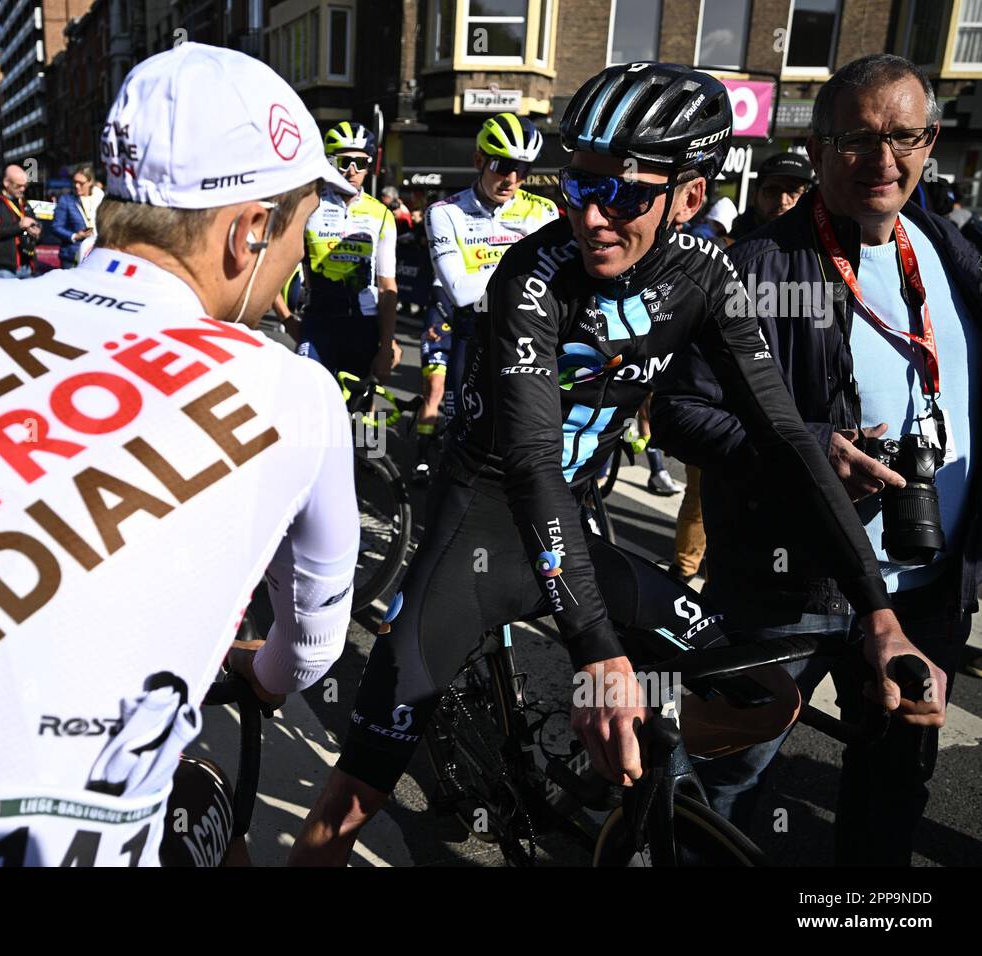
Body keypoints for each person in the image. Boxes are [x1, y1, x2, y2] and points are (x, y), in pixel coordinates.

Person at [288, 61, 944, 867]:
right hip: (482, 525)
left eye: (628, 194)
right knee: (351, 801)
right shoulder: (532, 276)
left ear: (691, 198)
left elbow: (785, 438)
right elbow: (529, 465)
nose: (593, 216)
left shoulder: (707, 274)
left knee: (761, 691)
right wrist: (600, 656)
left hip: (575, 519)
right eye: (579, 185)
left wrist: (879, 615)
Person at [0, 41, 359, 868]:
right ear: (250, 231)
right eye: (301, 226)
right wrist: (258, 681)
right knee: (207, 804)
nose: (301, 256)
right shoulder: (297, 394)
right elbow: (309, 653)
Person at [652, 53, 973, 865]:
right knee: (724, 787)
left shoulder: (950, 254)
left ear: (931, 139)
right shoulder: (754, 269)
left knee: (892, 791)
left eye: (904, 137)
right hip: (784, 586)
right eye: (858, 140)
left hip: (924, 588)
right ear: (821, 148)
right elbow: (679, 413)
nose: (885, 160)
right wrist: (800, 448)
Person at [412, 113, 559, 484]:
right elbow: (460, 290)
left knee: (529, 437)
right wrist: (525, 263)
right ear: (479, 160)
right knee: (464, 434)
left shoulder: (543, 212)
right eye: (501, 165)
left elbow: (557, 282)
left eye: (522, 169)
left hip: (528, 335)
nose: (511, 178)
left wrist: (501, 273)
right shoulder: (445, 213)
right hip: (472, 333)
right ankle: (410, 466)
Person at [279, 121, 400, 383]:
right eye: (344, 161)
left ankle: (366, 425)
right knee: (310, 411)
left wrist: (388, 344)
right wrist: (288, 321)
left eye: (361, 162)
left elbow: (387, 286)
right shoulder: (307, 205)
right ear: (329, 162)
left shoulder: (381, 214)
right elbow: (271, 267)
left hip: (364, 325)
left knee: (365, 417)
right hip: (318, 322)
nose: (352, 171)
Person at [729, 151, 813, 240]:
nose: (782, 201)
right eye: (772, 191)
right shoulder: (727, 249)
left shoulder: (819, 246)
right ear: (755, 195)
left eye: (793, 191)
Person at [0, 164, 42, 278]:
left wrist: (36, 231)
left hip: (26, 265)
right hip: (4, 268)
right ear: (6, 183)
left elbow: (36, 224)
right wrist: (19, 226)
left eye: (25, 185)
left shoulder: (23, 203)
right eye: (18, 186)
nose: (23, 189)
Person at [49, 164, 100, 267]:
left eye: (81, 183)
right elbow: (56, 226)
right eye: (75, 182)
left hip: (95, 255)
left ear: (90, 182)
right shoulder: (66, 200)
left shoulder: (100, 198)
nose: (77, 186)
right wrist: (75, 236)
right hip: (72, 256)